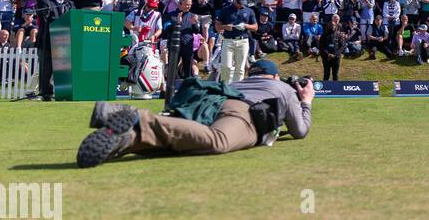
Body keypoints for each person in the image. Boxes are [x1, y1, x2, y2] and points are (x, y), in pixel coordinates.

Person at [75, 59, 312, 168]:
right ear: (274, 75)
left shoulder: (239, 82)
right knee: (218, 141)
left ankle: (126, 140)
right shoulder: (282, 88)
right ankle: (138, 116)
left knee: (178, 143)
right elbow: (299, 131)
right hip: (243, 111)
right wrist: (306, 101)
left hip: (209, 101)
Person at [34, 0, 74, 100]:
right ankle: (46, 93)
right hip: (47, 40)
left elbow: (74, 19)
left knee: (63, 68)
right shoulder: (44, 2)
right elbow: (48, 20)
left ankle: (62, 92)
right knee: (46, 68)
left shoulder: (69, 4)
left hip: (64, 41)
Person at [215, 0, 257, 84]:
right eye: (239, 2)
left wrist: (245, 25)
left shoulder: (249, 11)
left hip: (243, 41)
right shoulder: (225, 10)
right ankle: (225, 86)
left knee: (240, 68)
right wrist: (225, 27)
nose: (241, 4)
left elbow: (255, 27)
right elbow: (217, 26)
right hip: (228, 40)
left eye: (243, 3)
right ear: (234, 0)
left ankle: (237, 89)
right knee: (226, 66)